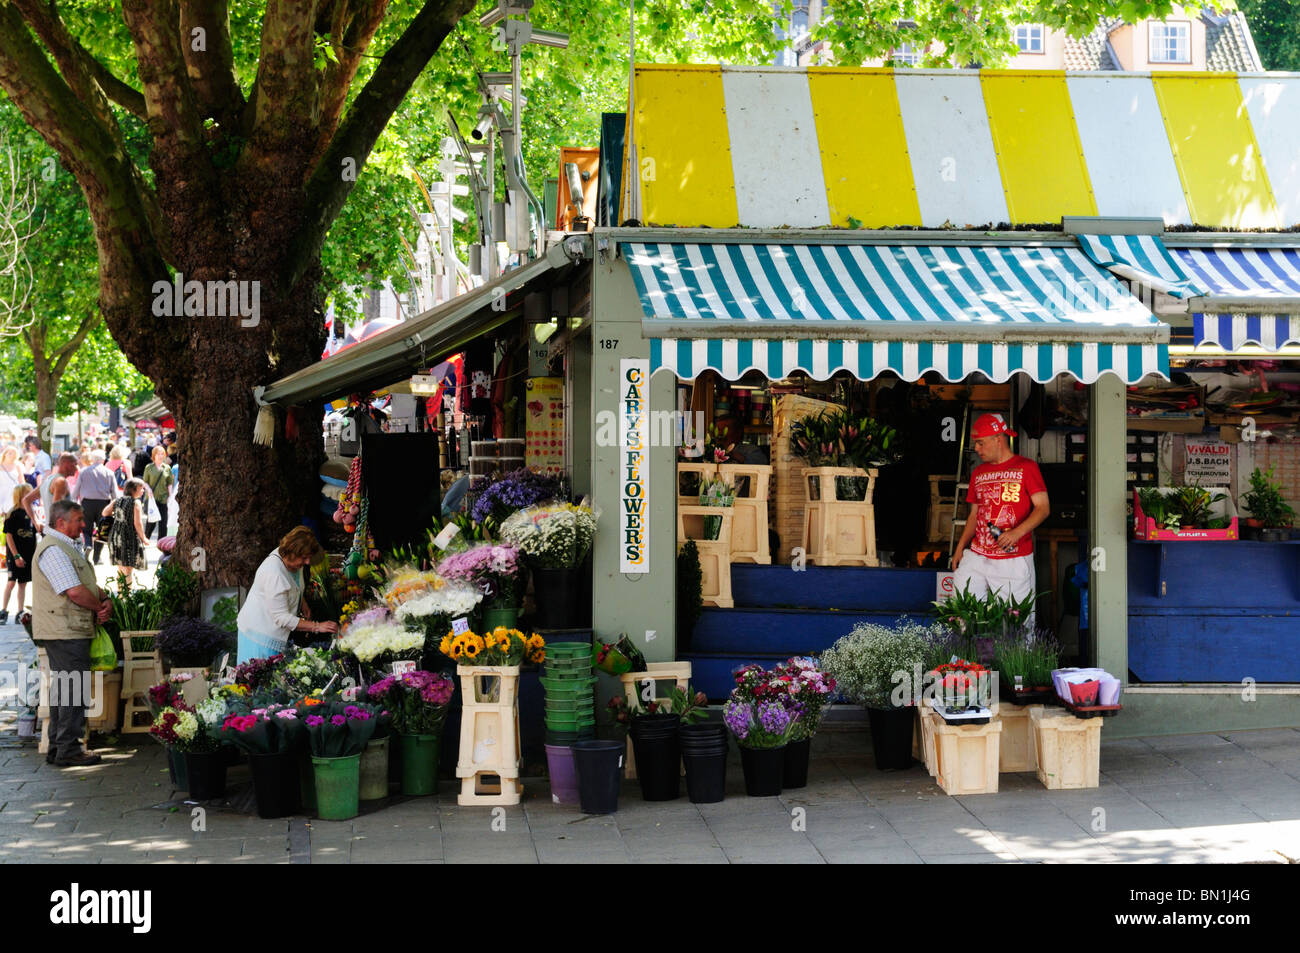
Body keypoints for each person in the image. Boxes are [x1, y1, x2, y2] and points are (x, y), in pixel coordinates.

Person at [31, 499, 111, 767]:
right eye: (79, 519)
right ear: (61, 523)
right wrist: (99, 606)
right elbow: (74, 591)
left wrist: (104, 597)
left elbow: (83, 583)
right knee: (72, 690)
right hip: (65, 629)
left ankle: (59, 746)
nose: (84, 524)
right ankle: (68, 748)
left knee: (65, 689)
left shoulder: (64, 546)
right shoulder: (54, 549)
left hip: (67, 628)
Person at [950, 413, 1050, 622]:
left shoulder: (1027, 467)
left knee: (1017, 623)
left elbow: (1043, 508)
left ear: (998, 439)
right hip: (978, 554)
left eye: (980, 443)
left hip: (1013, 556)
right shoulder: (978, 472)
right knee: (963, 614)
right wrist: (959, 549)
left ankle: (1015, 656)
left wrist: (1017, 533)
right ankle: (966, 654)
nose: (976, 449)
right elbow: (974, 515)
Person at [236, 526, 337, 664]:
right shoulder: (274, 573)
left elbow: (293, 585)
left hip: (275, 629)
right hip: (260, 635)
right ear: (292, 552)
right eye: (304, 558)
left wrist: (302, 603)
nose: (307, 562)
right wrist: (317, 626)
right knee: (259, 676)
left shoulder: (293, 561)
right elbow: (281, 618)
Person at [74, 449, 118, 564]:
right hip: (104, 504)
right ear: (103, 460)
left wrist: (74, 503)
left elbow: (76, 490)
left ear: (92, 460)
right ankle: (97, 557)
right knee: (102, 530)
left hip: (87, 503)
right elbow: (115, 493)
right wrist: (115, 505)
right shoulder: (109, 473)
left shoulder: (83, 472)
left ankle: (88, 544)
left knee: (86, 528)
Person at [1, 485, 36, 623]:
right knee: (11, 582)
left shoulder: (31, 512)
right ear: (21, 495)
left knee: (23, 583)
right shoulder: (13, 514)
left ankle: (20, 611)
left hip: (28, 555)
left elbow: (34, 534)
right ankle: (3, 610)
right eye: (29, 493)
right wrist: (16, 555)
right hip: (15, 555)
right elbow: (9, 536)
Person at [105, 479, 149, 583]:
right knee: (128, 569)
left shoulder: (117, 500)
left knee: (121, 569)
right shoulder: (135, 503)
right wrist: (144, 538)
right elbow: (137, 523)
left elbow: (104, 512)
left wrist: (119, 517)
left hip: (116, 536)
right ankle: (126, 596)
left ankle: (121, 595)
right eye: (141, 488)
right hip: (128, 538)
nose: (143, 491)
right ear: (134, 489)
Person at [24, 453, 77, 534]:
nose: (76, 468)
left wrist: (36, 521)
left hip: (51, 532)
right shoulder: (60, 481)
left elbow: (26, 500)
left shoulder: (49, 479)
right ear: (66, 464)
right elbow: (56, 511)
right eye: (74, 464)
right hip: (58, 535)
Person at [143, 445, 173, 539]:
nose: (161, 456)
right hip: (152, 499)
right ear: (154, 455)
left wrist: (170, 496)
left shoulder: (167, 468)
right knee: (151, 521)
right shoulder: (149, 467)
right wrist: (148, 489)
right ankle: (145, 539)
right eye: (158, 454)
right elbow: (145, 482)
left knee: (163, 523)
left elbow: (169, 483)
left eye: (162, 454)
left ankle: (161, 543)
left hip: (163, 498)